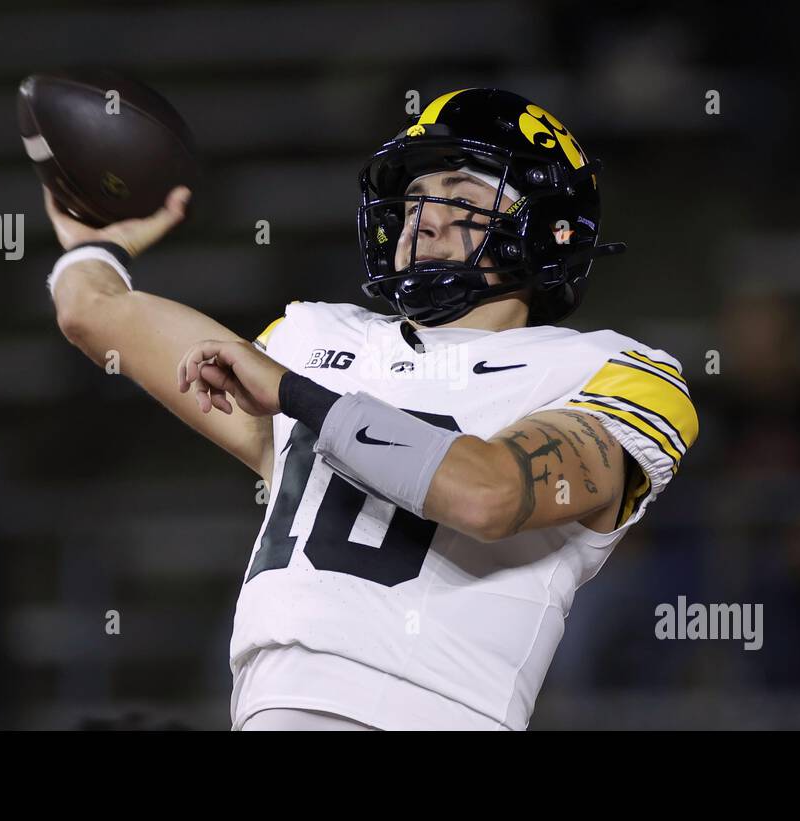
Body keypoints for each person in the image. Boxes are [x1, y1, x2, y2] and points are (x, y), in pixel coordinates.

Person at [43, 88, 699, 730]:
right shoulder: (318, 335)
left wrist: (300, 395)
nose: (425, 217)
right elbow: (95, 313)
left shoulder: (611, 370)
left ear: (545, 227)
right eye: (415, 197)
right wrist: (95, 245)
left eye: (461, 197)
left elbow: (489, 493)